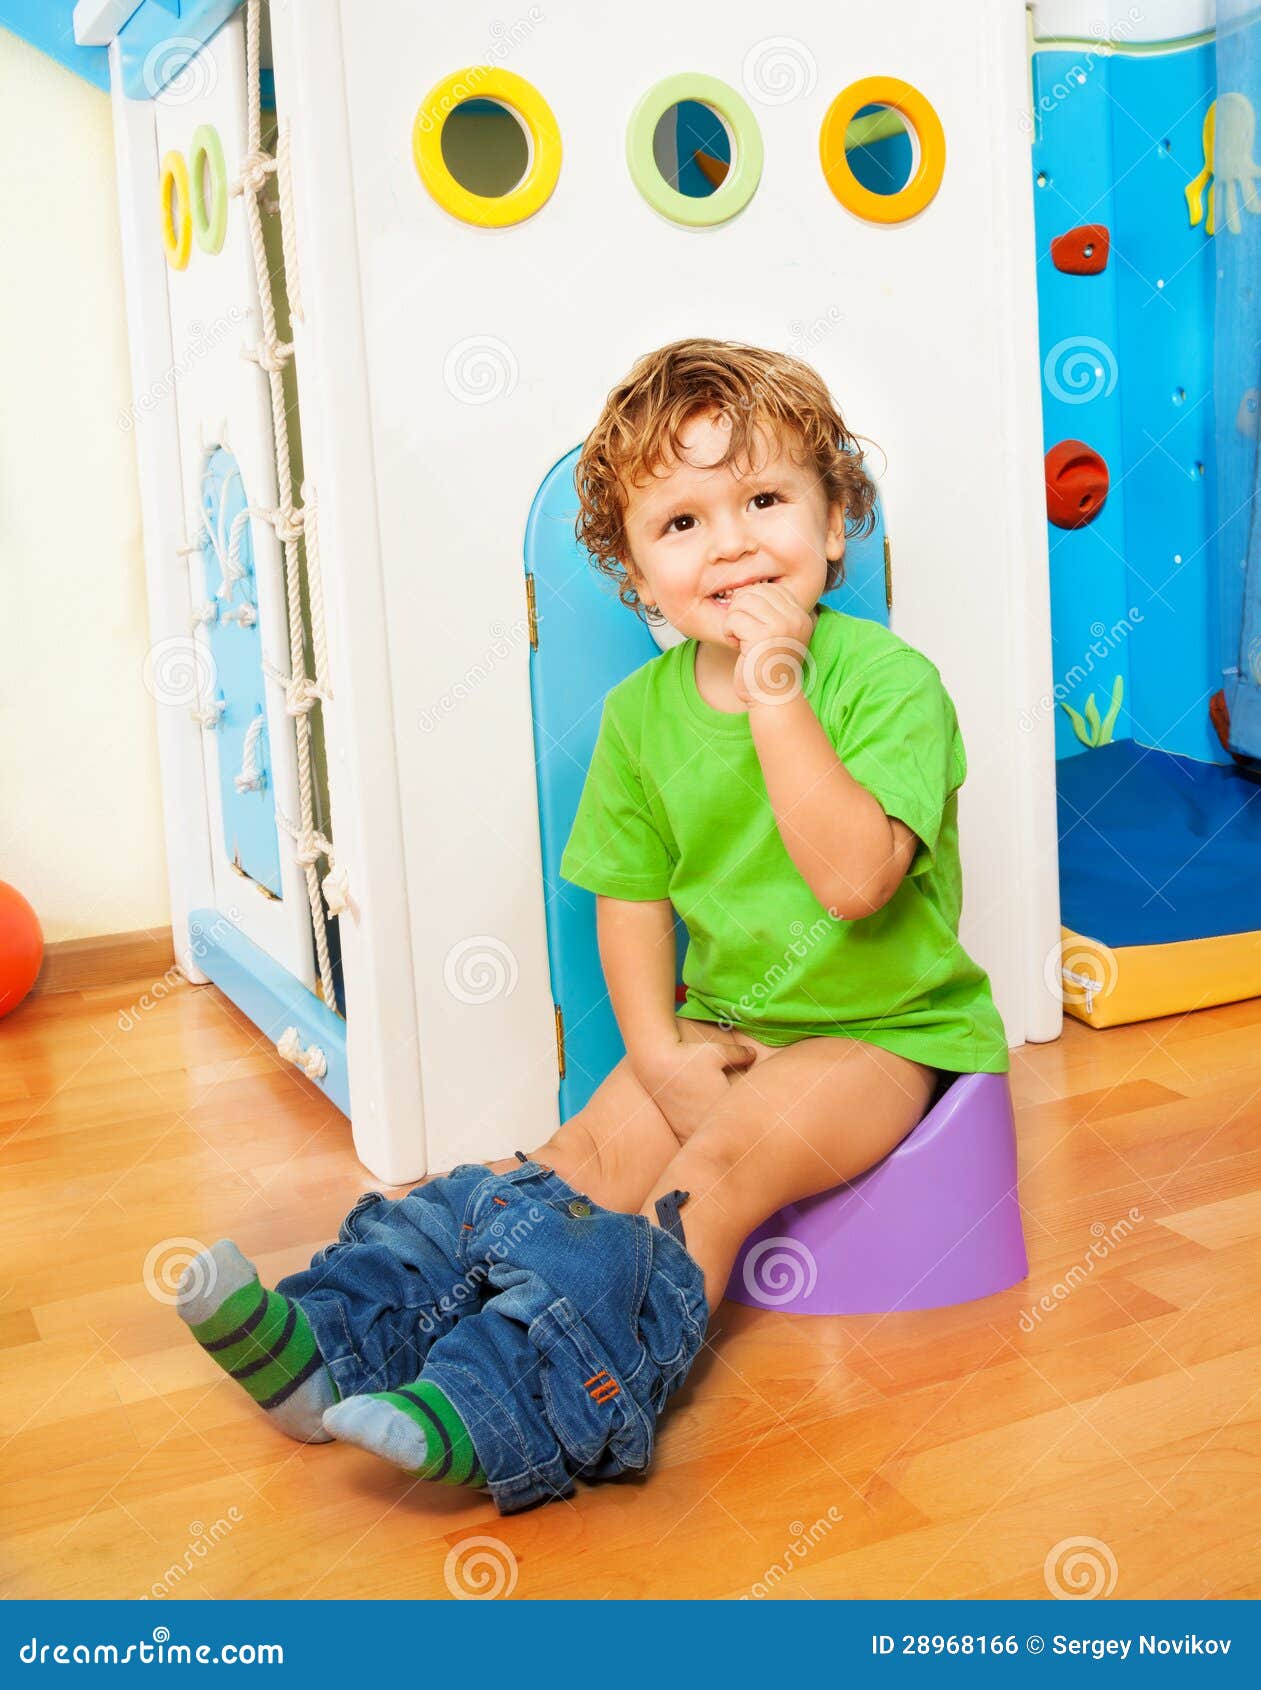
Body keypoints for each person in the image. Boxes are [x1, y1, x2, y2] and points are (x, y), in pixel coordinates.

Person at [175, 338, 1009, 1514]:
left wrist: (777, 695)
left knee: (708, 1175)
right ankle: (339, 1333)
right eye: (682, 523)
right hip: (724, 1018)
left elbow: (855, 884)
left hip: (878, 1033)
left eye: (764, 501)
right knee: (560, 1164)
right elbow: (631, 902)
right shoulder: (640, 714)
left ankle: (531, 1400)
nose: (728, 542)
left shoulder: (886, 684)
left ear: (834, 529)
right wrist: (657, 1049)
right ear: (638, 577)